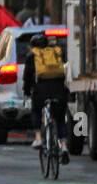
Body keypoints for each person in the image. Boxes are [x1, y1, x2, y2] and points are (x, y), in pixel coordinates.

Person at [23, 32, 70, 163]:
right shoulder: (56, 53)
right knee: (60, 118)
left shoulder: (32, 56)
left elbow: (27, 78)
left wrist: (27, 91)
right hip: (58, 89)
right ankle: (64, 147)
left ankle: (38, 138)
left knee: (36, 110)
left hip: (41, 90)